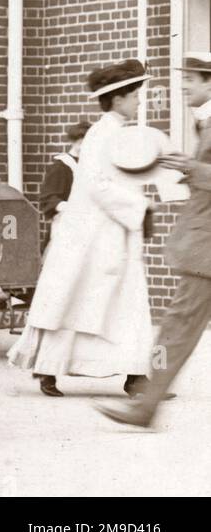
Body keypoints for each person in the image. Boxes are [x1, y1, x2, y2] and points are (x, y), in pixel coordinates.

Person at [8, 59, 156, 398]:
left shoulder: (114, 132)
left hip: (111, 232)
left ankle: (136, 375)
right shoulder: (103, 134)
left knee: (119, 303)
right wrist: (140, 206)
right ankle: (48, 368)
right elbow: (98, 185)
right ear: (117, 100)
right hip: (94, 237)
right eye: (135, 95)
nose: (139, 102)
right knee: (79, 300)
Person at [97, 52, 211, 427]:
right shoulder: (205, 122)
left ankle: (146, 406)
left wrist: (191, 169)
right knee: (177, 327)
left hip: (206, 247)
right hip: (202, 243)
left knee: (176, 327)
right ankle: (147, 404)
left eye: (191, 80)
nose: (183, 86)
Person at [38, 120, 91, 246]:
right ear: (75, 142)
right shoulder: (61, 166)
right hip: (66, 227)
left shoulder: (89, 165)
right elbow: (48, 198)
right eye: (82, 141)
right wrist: (72, 208)